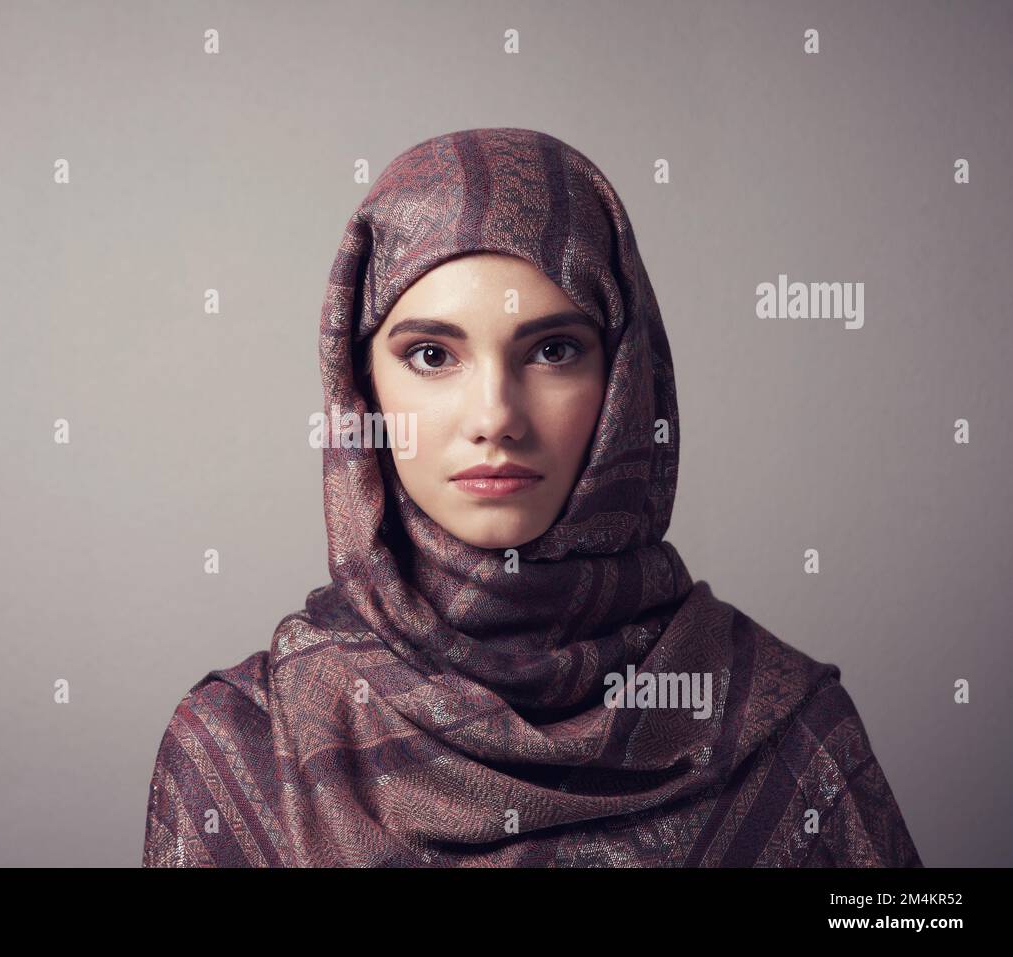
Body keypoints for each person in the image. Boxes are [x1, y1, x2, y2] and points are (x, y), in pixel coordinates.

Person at [141, 127, 922, 867]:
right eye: (432, 354)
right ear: (361, 388)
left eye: (553, 351)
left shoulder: (781, 729)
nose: (496, 418)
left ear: (623, 378)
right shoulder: (240, 751)